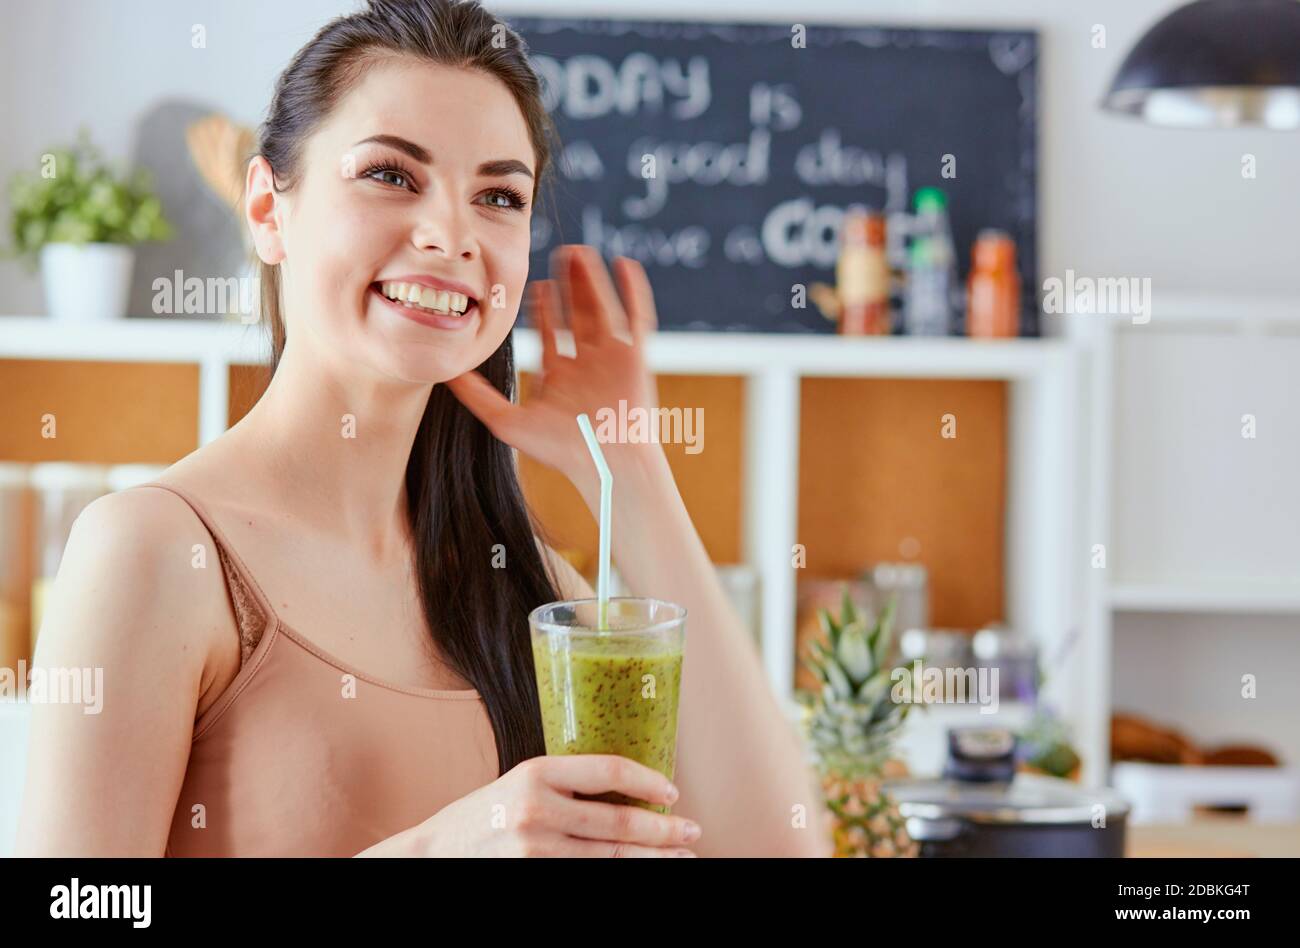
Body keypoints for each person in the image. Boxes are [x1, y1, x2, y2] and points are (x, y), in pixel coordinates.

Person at [16, 0, 829, 858]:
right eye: (391, 176)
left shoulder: (523, 581)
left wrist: (626, 467)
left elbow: (776, 849)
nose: (452, 234)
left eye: (499, 196)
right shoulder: (154, 550)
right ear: (267, 210)